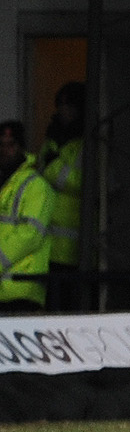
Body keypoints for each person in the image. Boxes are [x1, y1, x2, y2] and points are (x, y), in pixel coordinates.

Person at [37, 83, 81, 310]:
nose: (64, 110)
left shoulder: (86, 143)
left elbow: (83, 181)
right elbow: (39, 172)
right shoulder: (52, 138)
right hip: (47, 244)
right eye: (61, 104)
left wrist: (52, 168)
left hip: (76, 248)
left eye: (69, 105)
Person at [0, 122, 51, 312]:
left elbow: (30, 235)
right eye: (1, 145)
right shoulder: (5, 185)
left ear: (21, 147)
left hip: (21, 290)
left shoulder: (36, 186)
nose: (5, 150)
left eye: (11, 144)